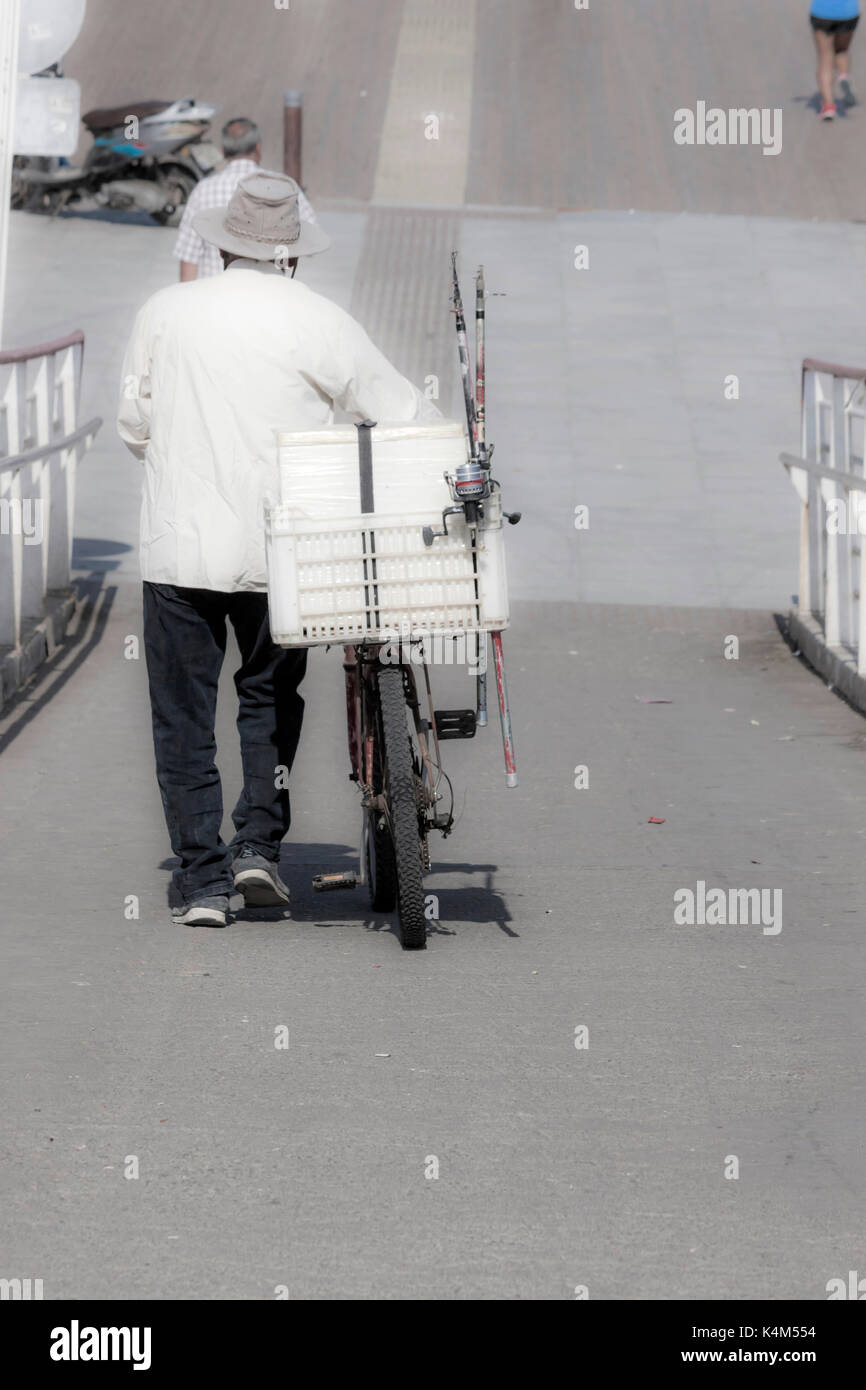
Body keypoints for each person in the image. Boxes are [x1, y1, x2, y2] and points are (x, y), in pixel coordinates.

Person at [118, 172, 439, 927]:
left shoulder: (164, 313)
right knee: (267, 695)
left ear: (225, 246)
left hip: (179, 551)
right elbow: (400, 411)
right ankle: (258, 846)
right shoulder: (319, 320)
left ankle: (201, 884)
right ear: (291, 253)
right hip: (280, 552)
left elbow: (135, 426)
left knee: (182, 715)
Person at [173, 116, 317, 280]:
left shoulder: (203, 190)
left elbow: (188, 255)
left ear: (223, 151)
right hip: (273, 295)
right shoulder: (284, 188)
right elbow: (310, 234)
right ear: (258, 147)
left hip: (216, 298)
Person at [810, 0, 860, 118]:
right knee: (841, 50)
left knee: (825, 58)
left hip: (822, 13)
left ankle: (829, 106)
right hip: (848, 13)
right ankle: (843, 76)